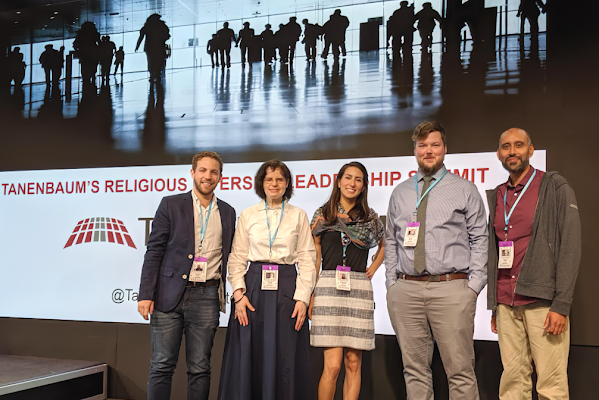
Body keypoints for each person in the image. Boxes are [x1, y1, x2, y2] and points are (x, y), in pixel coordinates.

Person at [385, 121, 488, 400]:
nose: (428, 151)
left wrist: (474, 286)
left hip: (451, 289)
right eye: (422, 145)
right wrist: (392, 283)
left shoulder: (465, 188)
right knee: (414, 370)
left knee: (460, 371)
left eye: (434, 145)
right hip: (406, 290)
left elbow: (480, 239)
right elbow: (391, 239)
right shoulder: (401, 191)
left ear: (445, 148)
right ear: (415, 150)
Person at [487, 128, 581, 399]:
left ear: (531, 150)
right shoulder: (497, 195)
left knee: (551, 386)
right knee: (513, 383)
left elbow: (571, 247)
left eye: (518, 145)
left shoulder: (554, 186)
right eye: (506, 146)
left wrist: (561, 305)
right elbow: (494, 251)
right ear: (498, 154)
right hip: (507, 301)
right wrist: (494, 304)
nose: (512, 151)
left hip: (543, 302)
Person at [137, 151, 236, 400]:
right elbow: (154, 251)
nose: (208, 176)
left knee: (200, 368)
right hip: (168, 296)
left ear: (220, 177)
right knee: (161, 365)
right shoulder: (170, 204)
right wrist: (146, 294)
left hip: (207, 296)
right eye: (202, 170)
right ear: (193, 173)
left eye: (213, 172)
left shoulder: (228, 212)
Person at [218, 159, 316, 400]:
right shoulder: (248, 215)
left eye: (280, 179)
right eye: (269, 179)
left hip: (287, 287)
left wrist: (303, 299)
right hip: (253, 290)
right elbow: (237, 256)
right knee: (251, 351)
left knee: (285, 352)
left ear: (287, 183)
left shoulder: (298, 215)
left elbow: (307, 258)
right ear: (261, 183)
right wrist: (238, 294)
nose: (274, 184)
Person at [309, 162, 385, 400]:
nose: (352, 183)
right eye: (348, 178)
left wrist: (373, 267)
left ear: (363, 186)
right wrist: (310, 293)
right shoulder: (323, 215)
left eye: (358, 179)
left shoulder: (370, 217)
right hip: (328, 286)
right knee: (332, 366)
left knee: (353, 363)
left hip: (358, 287)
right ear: (339, 181)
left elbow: (385, 243)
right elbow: (315, 255)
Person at [135, 14, 170, 81]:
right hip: (159, 46)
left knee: (150, 60)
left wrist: (137, 46)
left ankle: (152, 73)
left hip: (149, 46)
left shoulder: (147, 26)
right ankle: (157, 73)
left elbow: (141, 37)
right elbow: (167, 35)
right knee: (159, 60)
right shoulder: (161, 25)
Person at [73, 21, 100, 86]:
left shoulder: (80, 34)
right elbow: (99, 42)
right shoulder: (95, 33)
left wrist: (77, 49)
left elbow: (76, 43)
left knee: (84, 66)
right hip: (93, 52)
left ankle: (86, 79)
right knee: (93, 66)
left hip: (84, 53)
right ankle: (92, 76)